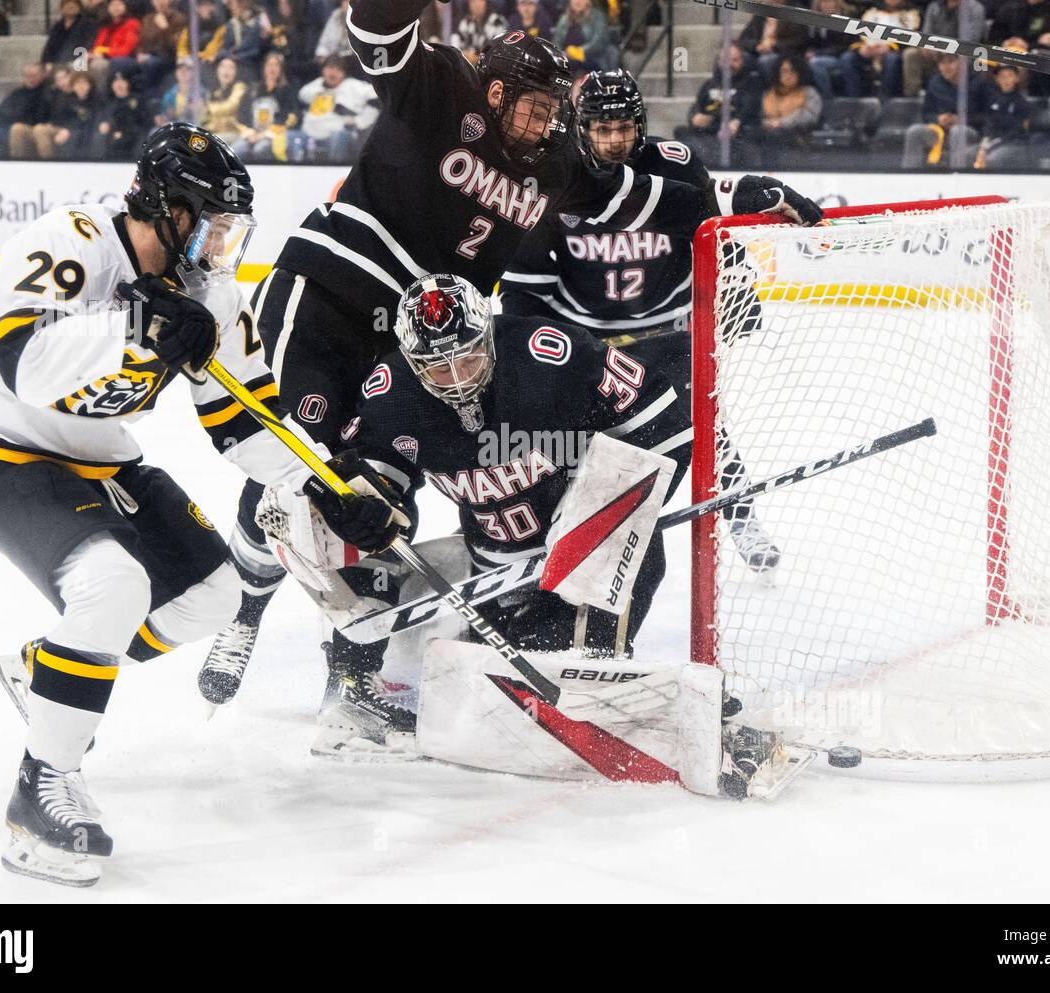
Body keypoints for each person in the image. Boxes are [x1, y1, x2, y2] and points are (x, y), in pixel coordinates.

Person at [194, 0, 821, 741]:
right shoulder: (442, 87)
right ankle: (245, 610)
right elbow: (376, 29)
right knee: (297, 464)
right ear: (494, 95)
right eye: (538, 106)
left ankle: (353, 669)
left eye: (559, 109)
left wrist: (737, 196)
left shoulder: (554, 161)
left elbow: (631, 198)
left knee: (379, 490)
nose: (553, 121)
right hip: (330, 299)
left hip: (419, 340)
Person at [0, 123, 401, 886]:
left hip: (95, 452)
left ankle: (42, 673)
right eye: (212, 224)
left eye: (232, 230)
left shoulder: (210, 292)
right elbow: (22, 360)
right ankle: (39, 790)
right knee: (113, 586)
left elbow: (246, 416)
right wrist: (137, 327)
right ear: (169, 208)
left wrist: (327, 483)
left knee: (215, 594)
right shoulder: (74, 238)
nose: (222, 246)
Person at [307, 273, 695, 754]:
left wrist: (602, 515)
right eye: (437, 368)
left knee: (624, 546)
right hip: (494, 570)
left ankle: (597, 670)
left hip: (586, 562)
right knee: (325, 519)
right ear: (410, 361)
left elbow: (666, 425)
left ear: (488, 335)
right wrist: (371, 509)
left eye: (468, 356)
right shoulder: (392, 395)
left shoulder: (550, 353)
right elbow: (379, 483)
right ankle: (351, 682)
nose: (459, 378)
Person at [502, 68, 782, 580]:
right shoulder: (556, 179)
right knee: (578, 440)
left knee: (702, 424)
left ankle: (741, 516)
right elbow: (525, 289)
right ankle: (566, 527)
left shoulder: (673, 163)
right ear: (578, 128)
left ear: (641, 123)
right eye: (602, 130)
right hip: (586, 338)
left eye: (624, 128)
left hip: (667, 330)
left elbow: (714, 226)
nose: (614, 141)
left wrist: (739, 286)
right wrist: (529, 348)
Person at [674, 42, 761, 167]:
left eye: (734, 60)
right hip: (708, 133)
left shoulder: (750, 83)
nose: (729, 64)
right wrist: (695, 117)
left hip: (734, 136)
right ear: (719, 61)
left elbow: (749, 108)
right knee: (681, 132)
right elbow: (696, 107)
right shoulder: (710, 84)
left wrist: (737, 121)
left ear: (742, 61)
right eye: (725, 60)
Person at [900, 54, 986, 167]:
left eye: (950, 61)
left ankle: (958, 174)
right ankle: (910, 176)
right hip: (939, 132)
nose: (945, 67)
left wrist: (962, 120)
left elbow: (987, 116)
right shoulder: (935, 83)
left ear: (962, 62)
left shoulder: (979, 83)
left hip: (971, 131)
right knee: (915, 131)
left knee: (957, 131)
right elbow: (926, 113)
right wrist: (938, 119)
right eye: (941, 63)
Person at [292, 54, 378, 162]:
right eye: (329, 68)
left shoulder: (353, 86)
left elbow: (377, 100)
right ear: (323, 71)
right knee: (292, 137)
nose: (333, 73)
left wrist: (359, 121)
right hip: (310, 134)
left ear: (344, 73)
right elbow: (302, 95)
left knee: (338, 137)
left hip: (338, 134)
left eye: (338, 69)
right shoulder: (316, 86)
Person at [838, 0, 920, 98]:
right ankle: (854, 99)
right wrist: (861, 47)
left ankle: (884, 99)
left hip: (893, 51)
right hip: (869, 48)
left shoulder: (911, 14)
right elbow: (855, 32)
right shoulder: (871, 11)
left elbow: (913, 38)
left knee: (891, 59)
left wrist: (890, 47)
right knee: (847, 58)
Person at [233, 50, 301, 161]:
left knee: (260, 149)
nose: (272, 68)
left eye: (276, 65)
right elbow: (241, 115)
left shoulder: (287, 91)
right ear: (264, 68)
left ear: (281, 70)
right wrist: (250, 134)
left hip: (273, 135)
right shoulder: (252, 90)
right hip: (251, 134)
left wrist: (266, 134)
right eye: (269, 64)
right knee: (236, 150)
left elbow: (291, 117)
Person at [97, 72, 153, 158]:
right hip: (112, 142)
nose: (119, 85)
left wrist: (124, 134)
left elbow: (143, 124)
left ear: (128, 83)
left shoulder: (138, 101)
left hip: (134, 141)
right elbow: (105, 121)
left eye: (122, 81)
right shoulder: (109, 104)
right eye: (115, 82)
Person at [553, 0, 618, 73]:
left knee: (573, 65)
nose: (578, 2)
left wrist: (579, 51)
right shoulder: (564, 19)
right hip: (567, 59)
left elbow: (600, 41)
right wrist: (561, 54)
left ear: (588, 2)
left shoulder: (596, 17)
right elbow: (556, 42)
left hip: (591, 60)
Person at [40, 0, 99, 76]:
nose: (70, 7)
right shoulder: (57, 26)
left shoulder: (87, 23)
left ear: (79, 8)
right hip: (57, 59)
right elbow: (49, 46)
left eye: (73, 5)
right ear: (62, 8)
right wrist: (47, 61)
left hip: (77, 58)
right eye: (67, 5)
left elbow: (89, 43)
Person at [453, 0, 509, 65]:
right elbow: (456, 47)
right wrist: (466, 55)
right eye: (473, 1)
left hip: (490, 67)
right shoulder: (466, 22)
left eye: (480, 0)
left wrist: (477, 58)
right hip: (467, 67)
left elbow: (500, 52)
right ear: (469, 4)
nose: (477, 4)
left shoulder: (498, 21)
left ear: (486, 2)